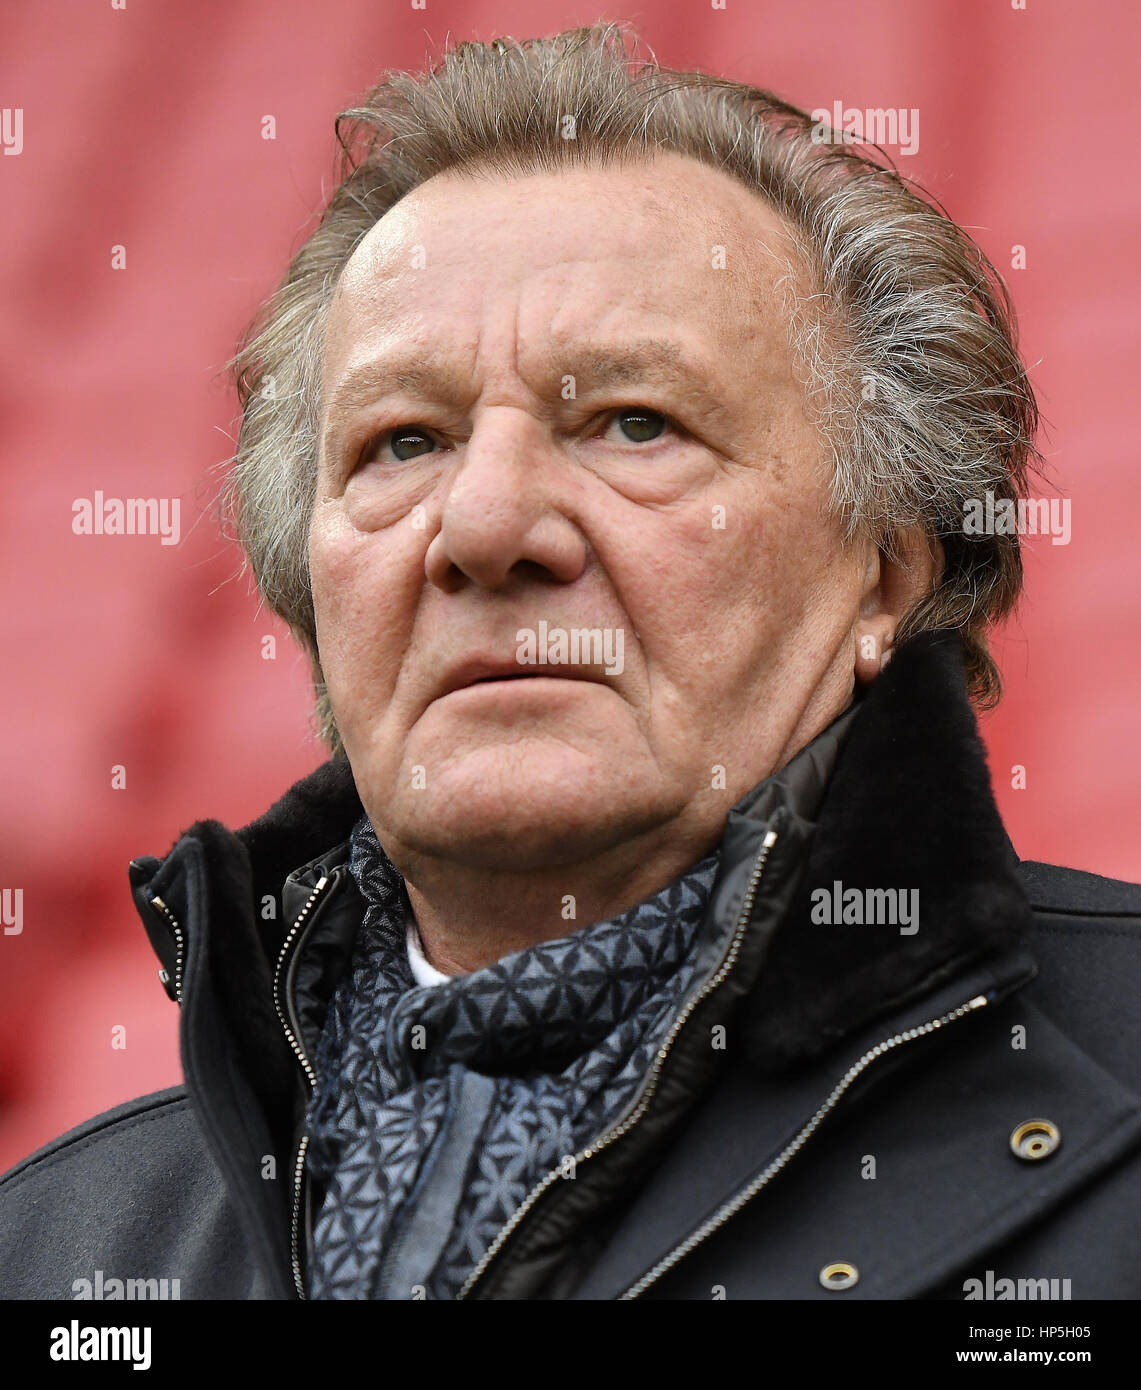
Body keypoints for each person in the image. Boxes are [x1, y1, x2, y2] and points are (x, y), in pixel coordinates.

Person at [2, 22, 1138, 1302]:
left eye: (633, 422)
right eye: (402, 443)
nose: (485, 527)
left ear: (882, 570)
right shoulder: (58, 1257)